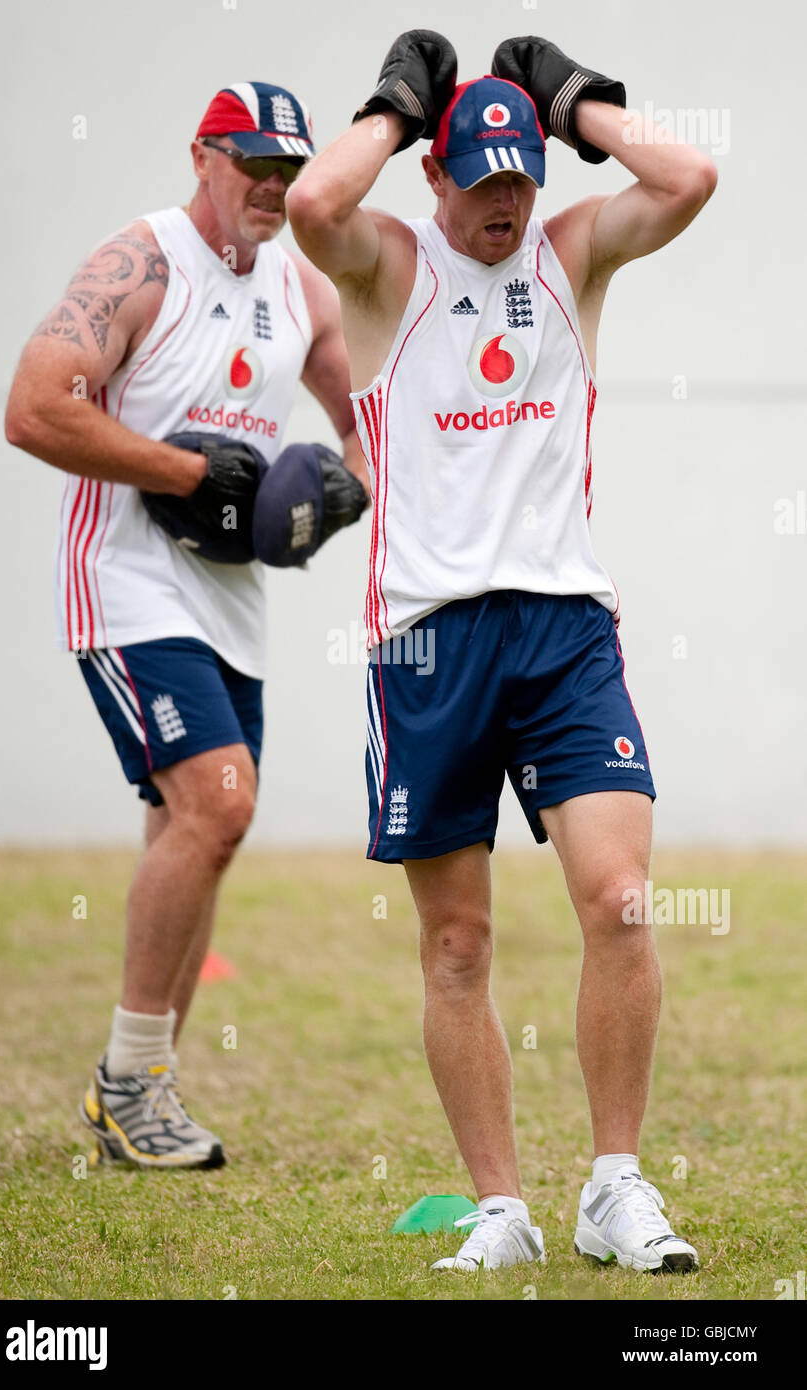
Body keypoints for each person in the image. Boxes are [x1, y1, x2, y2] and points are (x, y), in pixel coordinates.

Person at [287, 31, 717, 1270]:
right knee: (458, 942)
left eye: (517, 175)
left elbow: (686, 179)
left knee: (620, 903)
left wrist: (580, 103)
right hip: (426, 642)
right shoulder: (386, 266)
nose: (499, 203)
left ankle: (614, 1187)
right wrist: (389, 106)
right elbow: (317, 199)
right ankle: (500, 1209)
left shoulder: (569, 250)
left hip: (563, 628)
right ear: (432, 176)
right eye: (475, 179)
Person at [5, 80, 368, 1169]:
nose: (272, 182)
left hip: (230, 596)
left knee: (201, 830)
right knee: (218, 805)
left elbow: (374, 428)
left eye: (288, 166)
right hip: (126, 578)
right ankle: (126, 1078)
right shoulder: (142, 262)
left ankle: (146, 1092)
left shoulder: (302, 290)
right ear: (204, 155)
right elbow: (35, 408)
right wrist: (185, 472)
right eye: (251, 158)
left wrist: (339, 492)